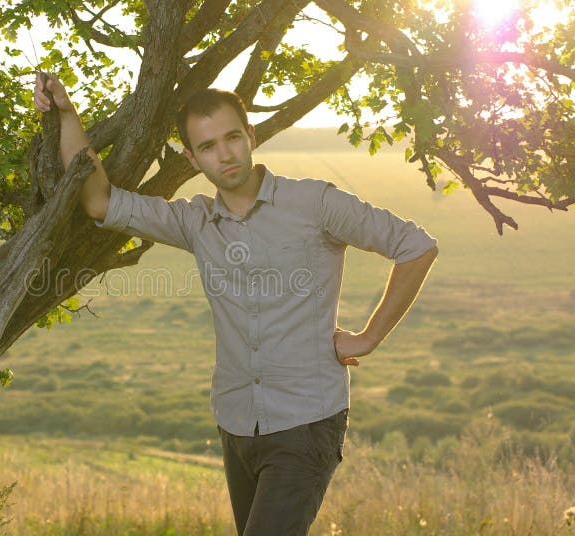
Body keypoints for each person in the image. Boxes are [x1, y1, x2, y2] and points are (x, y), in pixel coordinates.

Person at [34, 73, 438, 535]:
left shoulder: (314, 203)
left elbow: (416, 246)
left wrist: (368, 337)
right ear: (192, 159)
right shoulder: (196, 222)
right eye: (208, 147)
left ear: (250, 135)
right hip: (237, 423)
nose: (224, 154)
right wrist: (66, 112)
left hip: (306, 421)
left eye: (231, 138)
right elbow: (98, 201)